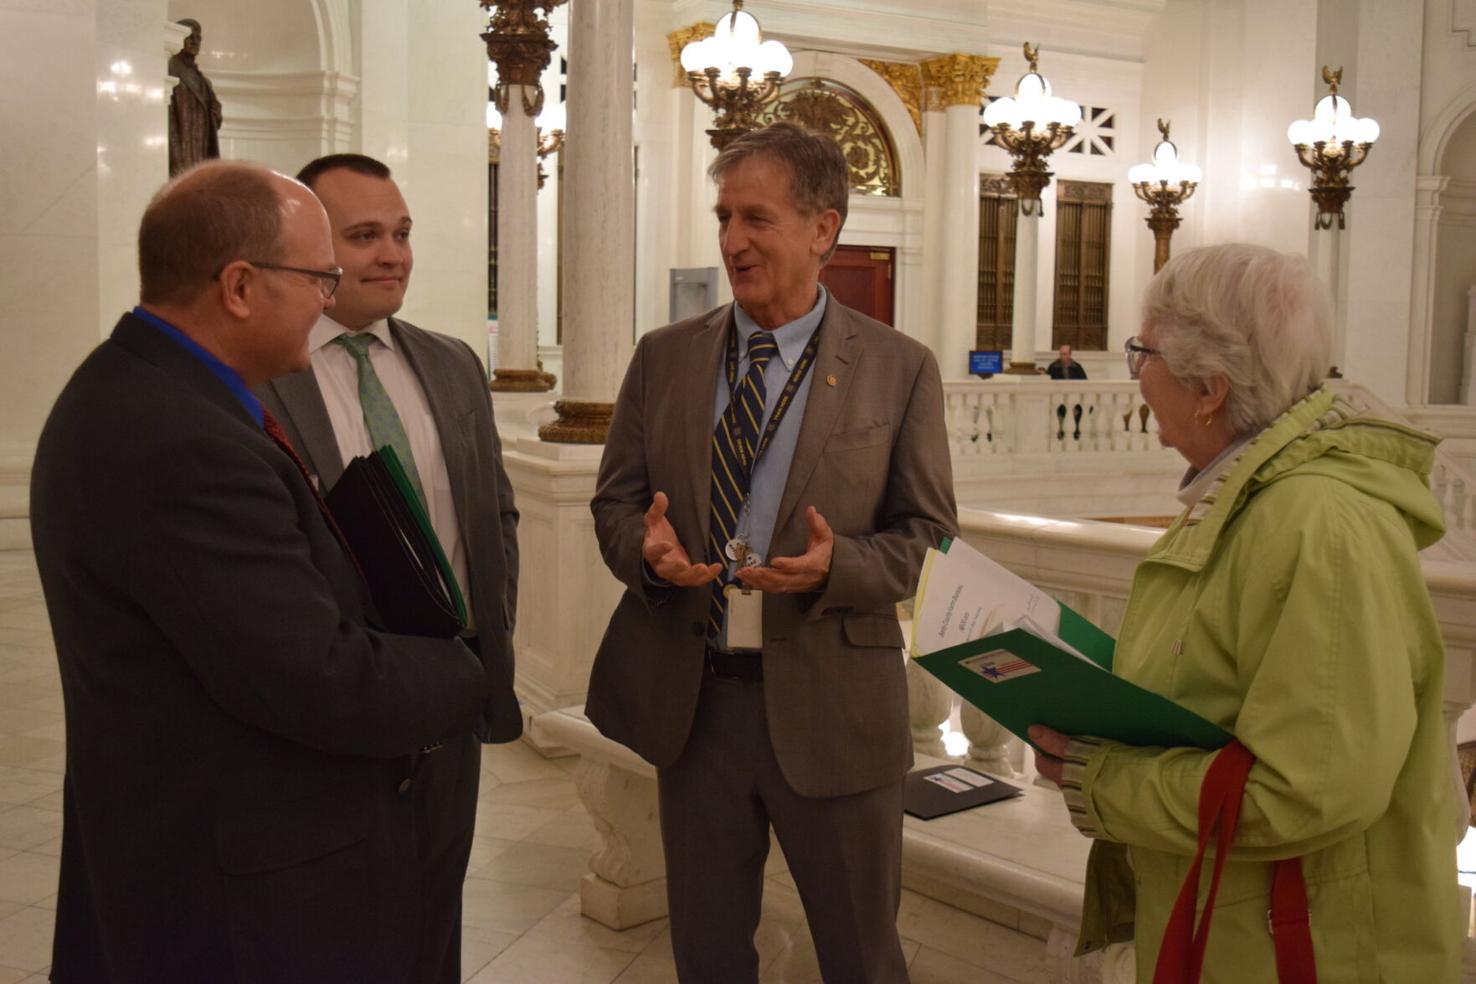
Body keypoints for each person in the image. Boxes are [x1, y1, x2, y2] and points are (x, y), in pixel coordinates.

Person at [31, 161, 490, 983]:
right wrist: (464, 672)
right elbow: (314, 676)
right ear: (239, 286)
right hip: (237, 882)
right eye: (318, 277)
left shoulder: (148, 389)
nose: (328, 299)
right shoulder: (182, 440)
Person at [1030, 243, 1463, 981]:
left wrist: (1097, 780)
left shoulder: (1318, 525)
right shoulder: (1256, 502)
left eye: (1144, 352)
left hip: (1306, 947)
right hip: (1234, 928)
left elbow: (1306, 790)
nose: (1135, 377)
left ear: (1210, 389)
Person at [588, 122, 958, 983]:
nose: (731, 241)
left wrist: (841, 569)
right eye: (724, 217)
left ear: (823, 229)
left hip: (835, 711)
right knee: (708, 956)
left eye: (756, 218)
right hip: (698, 706)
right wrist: (647, 555)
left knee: (861, 958)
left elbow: (929, 538)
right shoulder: (664, 358)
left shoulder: (897, 369)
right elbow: (615, 503)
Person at [255, 152, 521, 984]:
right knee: (336, 939)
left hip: (447, 701)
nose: (392, 254)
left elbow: (493, 515)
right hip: (334, 711)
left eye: (400, 233)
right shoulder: (261, 377)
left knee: (433, 922)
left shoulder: (451, 364)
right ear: (310, 250)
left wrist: (481, 651)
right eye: (364, 236)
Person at [166, 19, 222, 175]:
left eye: (198, 37)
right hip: (181, 150)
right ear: (179, 38)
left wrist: (215, 112)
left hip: (201, 149)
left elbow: (214, 120)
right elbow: (166, 116)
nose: (194, 41)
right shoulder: (170, 68)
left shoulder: (203, 81)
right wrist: (175, 156)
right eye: (190, 36)